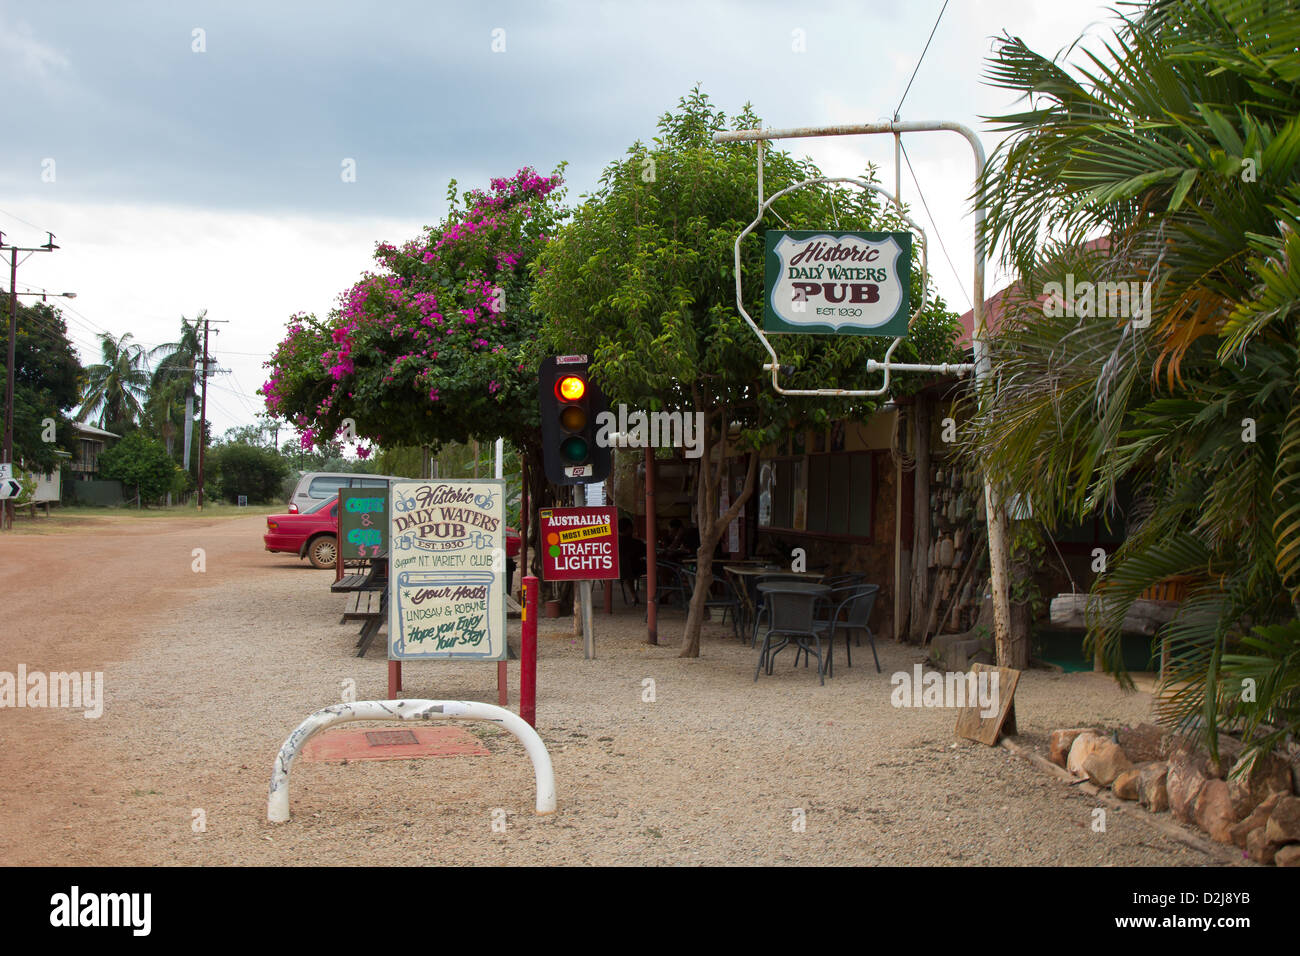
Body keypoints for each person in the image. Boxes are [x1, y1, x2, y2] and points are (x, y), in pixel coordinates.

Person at [617, 517, 646, 605]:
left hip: (620, 571)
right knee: (657, 567)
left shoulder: (614, 542)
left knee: (627, 570)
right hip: (637, 569)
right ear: (629, 528)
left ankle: (633, 595)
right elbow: (646, 554)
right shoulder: (637, 543)